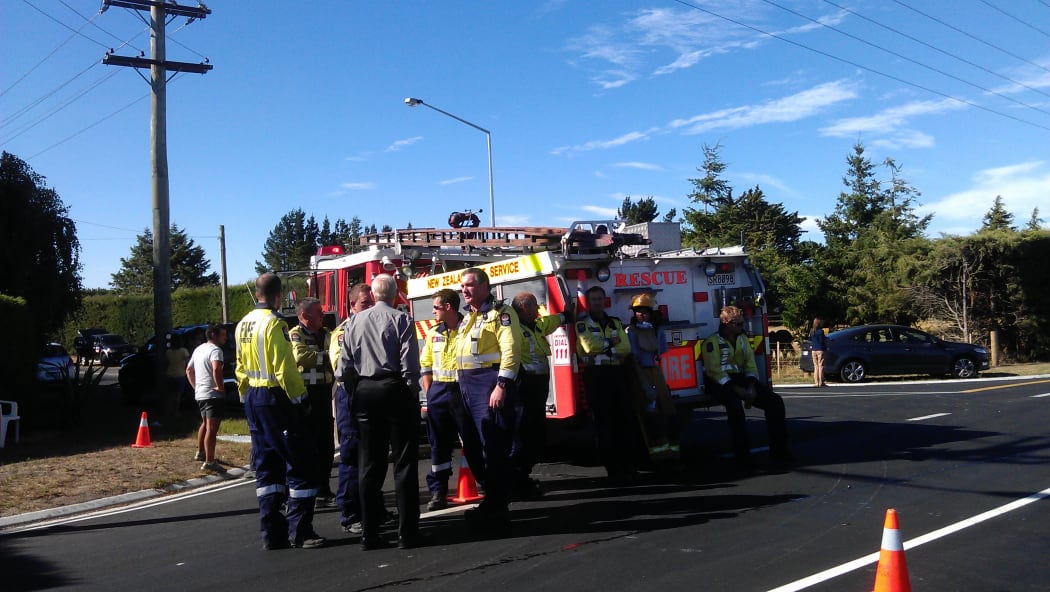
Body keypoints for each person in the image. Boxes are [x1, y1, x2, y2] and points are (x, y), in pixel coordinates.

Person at [235, 272, 325, 550]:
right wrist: (300, 399)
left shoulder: (243, 324)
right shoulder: (275, 324)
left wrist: (245, 396)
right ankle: (300, 531)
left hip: (253, 397)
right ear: (278, 295)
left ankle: (272, 534)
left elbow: (239, 366)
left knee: (267, 468)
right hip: (275, 398)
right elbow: (284, 367)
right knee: (301, 462)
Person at [339, 274, 422, 550]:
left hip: (365, 391)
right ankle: (407, 533)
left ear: (373, 295)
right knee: (404, 463)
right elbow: (410, 364)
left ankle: (369, 534)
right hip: (394, 388)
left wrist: (355, 392)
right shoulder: (401, 319)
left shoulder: (353, 322)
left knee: (369, 465)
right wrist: (410, 392)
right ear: (396, 294)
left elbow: (344, 368)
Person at [455, 267, 520, 526]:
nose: (464, 290)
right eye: (462, 287)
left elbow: (511, 350)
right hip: (466, 386)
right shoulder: (469, 316)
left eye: (469, 285)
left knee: (493, 446)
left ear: (484, 286)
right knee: (472, 445)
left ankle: (498, 503)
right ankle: (490, 495)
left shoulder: (501, 314)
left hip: (488, 384)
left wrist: (502, 385)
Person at [700, 305, 792, 471]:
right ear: (727, 323)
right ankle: (743, 458)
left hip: (739, 378)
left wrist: (752, 385)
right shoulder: (711, 343)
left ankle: (779, 451)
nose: (743, 327)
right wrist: (737, 390)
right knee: (735, 409)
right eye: (739, 324)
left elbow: (750, 363)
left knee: (775, 402)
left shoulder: (742, 339)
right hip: (718, 382)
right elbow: (714, 371)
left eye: (742, 323)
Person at [575, 285, 640, 482]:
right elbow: (588, 347)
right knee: (604, 422)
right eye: (593, 299)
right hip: (596, 376)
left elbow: (626, 346)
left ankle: (627, 465)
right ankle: (612, 468)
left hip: (616, 373)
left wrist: (606, 347)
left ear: (604, 301)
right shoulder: (582, 324)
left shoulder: (614, 322)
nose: (597, 302)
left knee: (624, 419)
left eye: (600, 299)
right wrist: (611, 344)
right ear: (588, 302)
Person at [331, 283, 378, 534]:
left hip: (371, 397)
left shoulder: (375, 327)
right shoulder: (343, 332)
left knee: (373, 457)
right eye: (364, 304)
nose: (370, 308)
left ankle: (373, 508)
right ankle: (350, 514)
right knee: (351, 458)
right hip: (351, 397)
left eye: (372, 303)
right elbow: (343, 368)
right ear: (352, 306)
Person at [509, 291, 566, 493]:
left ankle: (522, 475)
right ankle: (517, 479)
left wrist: (565, 316)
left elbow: (549, 323)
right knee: (522, 434)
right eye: (535, 305)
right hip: (524, 388)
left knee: (534, 434)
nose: (539, 309)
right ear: (525, 308)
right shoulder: (514, 329)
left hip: (537, 389)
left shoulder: (534, 325)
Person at [419, 288, 468, 511]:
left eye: (436, 307)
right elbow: (426, 365)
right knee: (439, 446)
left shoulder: (468, 328)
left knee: (474, 441)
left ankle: (490, 487)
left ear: (448, 307)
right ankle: (438, 492)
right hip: (439, 393)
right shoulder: (433, 333)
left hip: (462, 392)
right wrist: (430, 393)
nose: (433, 311)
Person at [289, 297, 337, 507]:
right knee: (307, 445)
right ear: (305, 315)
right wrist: (326, 357)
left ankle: (323, 489)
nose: (323, 315)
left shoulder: (327, 333)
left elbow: (336, 352)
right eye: (318, 312)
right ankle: (307, 489)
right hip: (306, 396)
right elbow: (300, 357)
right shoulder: (294, 334)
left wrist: (321, 356)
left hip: (325, 394)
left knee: (326, 444)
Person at [625, 294, 680, 463]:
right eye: (638, 311)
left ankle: (674, 453)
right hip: (641, 371)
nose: (641, 314)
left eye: (645, 311)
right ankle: (658, 456)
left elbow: (660, 352)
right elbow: (633, 358)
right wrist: (644, 384)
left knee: (668, 410)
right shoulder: (631, 332)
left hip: (655, 371)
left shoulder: (657, 329)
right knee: (650, 414)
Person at [187, 323, 228, 472]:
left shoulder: (199, 349)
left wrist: (196, 386)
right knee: (212, 428)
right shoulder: (216, 350)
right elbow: (216, 368)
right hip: (212, 395)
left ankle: (201, 452)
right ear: (213, 335)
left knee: (204, 423)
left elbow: (189, 369)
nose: (225, 338)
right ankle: (210, 462)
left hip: (201, 394)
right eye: (223, 334)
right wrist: (220, 387)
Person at [165, 334, 190, 418]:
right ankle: (176, 412)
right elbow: (188, 361)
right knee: (178, 395)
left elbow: (167, 362)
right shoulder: (183, 351)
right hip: (180, 374)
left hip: (170, 374)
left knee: (170, 395)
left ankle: (168, 412)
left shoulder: (168, 351)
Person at [810, 316, 828, 388]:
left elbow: (810, 339)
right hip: (820, 349)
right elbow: (822, 340)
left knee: (816, 366)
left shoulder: (812, 331)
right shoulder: (821, 331)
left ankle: (816, 382)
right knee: (821, 366)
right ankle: (821, 382)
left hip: (813, 350)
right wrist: (825, 347)